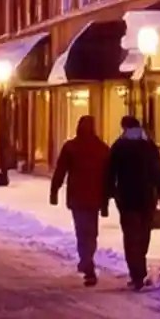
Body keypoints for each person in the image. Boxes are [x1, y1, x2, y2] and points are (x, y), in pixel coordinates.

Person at [106, 116, 160, 291]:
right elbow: (159, 170)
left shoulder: (119, 146)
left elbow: (111, 173)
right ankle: (140, 264)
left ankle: (136, 273)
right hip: (147, 197)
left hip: (127, 198)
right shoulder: (149, 146)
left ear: (124, 127)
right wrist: (159, 191)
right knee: (144, 233)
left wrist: (110, 193)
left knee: (130, 235)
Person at [51, 115, 110, 287]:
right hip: (95, 198)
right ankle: (87, 260)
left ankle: (86, 261)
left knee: (82, 231)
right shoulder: (101, 148)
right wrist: (106, 200)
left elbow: (60, 171)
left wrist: (54, 190)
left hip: (77, 197)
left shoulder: (71, 147)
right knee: (91, 232)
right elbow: (108, 178)